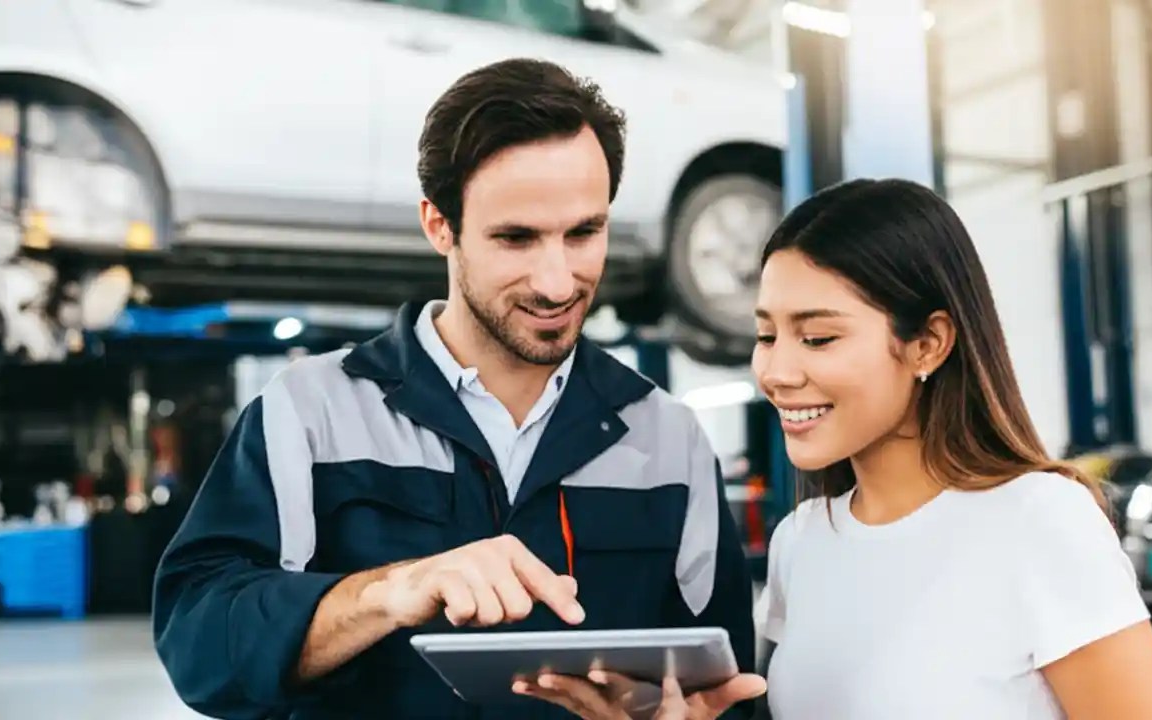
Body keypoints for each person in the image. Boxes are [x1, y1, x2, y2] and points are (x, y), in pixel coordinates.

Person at [152, 58, 763, 720]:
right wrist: (389, 591)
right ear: (439, 225)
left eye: (585, 232)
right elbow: (200, 647)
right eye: (516, 238)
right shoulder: (309, 413)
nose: (558, 283)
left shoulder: (665, 436)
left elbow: (722, 687)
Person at [750, 178, 1152, 719]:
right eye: (767, 335)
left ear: (928, 343)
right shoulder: (801, 541)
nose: (776, 372)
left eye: (817, 338)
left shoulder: (1039, 521)